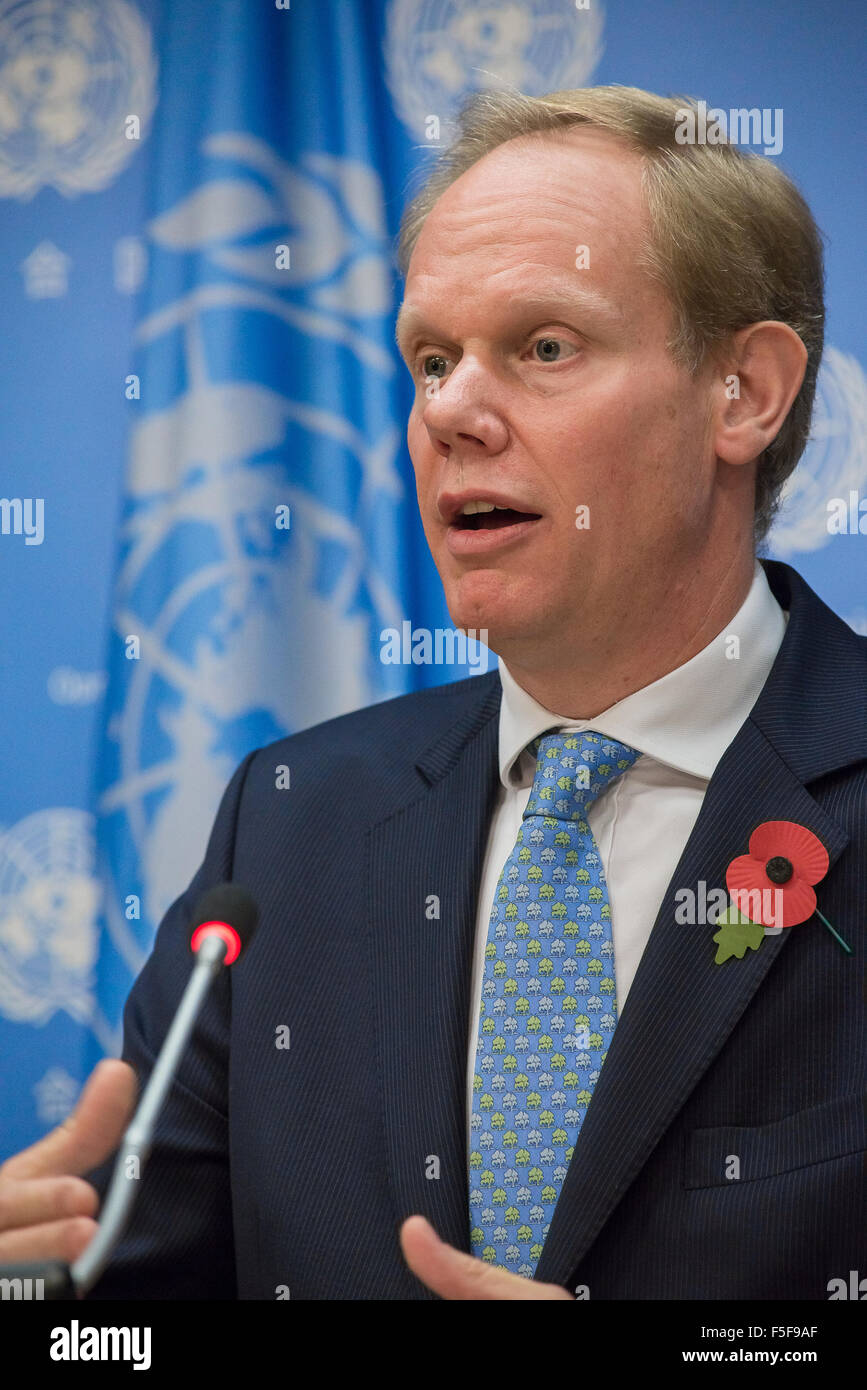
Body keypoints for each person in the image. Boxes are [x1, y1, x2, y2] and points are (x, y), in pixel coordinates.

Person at [0, 85, 864, 1300]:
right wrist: (40, 1303)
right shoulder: (291, 818)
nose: (449, 411)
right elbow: (138, 1305)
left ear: (744, 392)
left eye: (544, 347)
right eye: (431, 358)